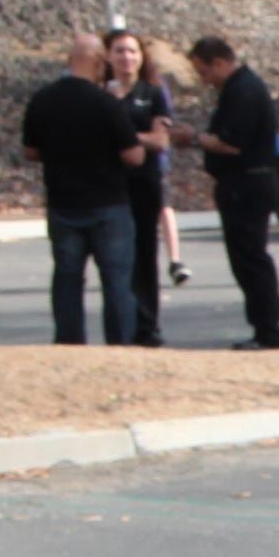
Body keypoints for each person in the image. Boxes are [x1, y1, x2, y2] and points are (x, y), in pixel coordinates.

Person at [17, 48, 155, 346]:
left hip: (63, 202)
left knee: (67, 278)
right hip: (108, 203)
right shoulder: (106, 103)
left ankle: (70, 343)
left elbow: (30, 151)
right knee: (116, 281)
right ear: (95, 62)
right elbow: (133, 156)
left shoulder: (43, 99)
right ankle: (120, 343)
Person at [186, 36, 279, 351]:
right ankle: (264, 326)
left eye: (204, 72)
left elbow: (232, 142)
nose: (205, 81)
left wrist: (194, 137)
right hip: (244, 181)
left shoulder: (243, 90)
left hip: (247, 181)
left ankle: (268, 329)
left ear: (219, 63)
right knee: (247, 257)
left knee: (250, 258)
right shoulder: (239, 88)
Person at [102, 31, 172, 347]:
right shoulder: (100, 93)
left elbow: (160, 140)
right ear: (108, 56)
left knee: (144, 256)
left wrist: (123, 135)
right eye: (119, 51)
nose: (126, 58)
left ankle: (148, 326)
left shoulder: (152, 93)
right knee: (114, 258)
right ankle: (120, 327)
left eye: (132, 51)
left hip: (144, 184)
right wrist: (133, 135)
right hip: (108, 185)